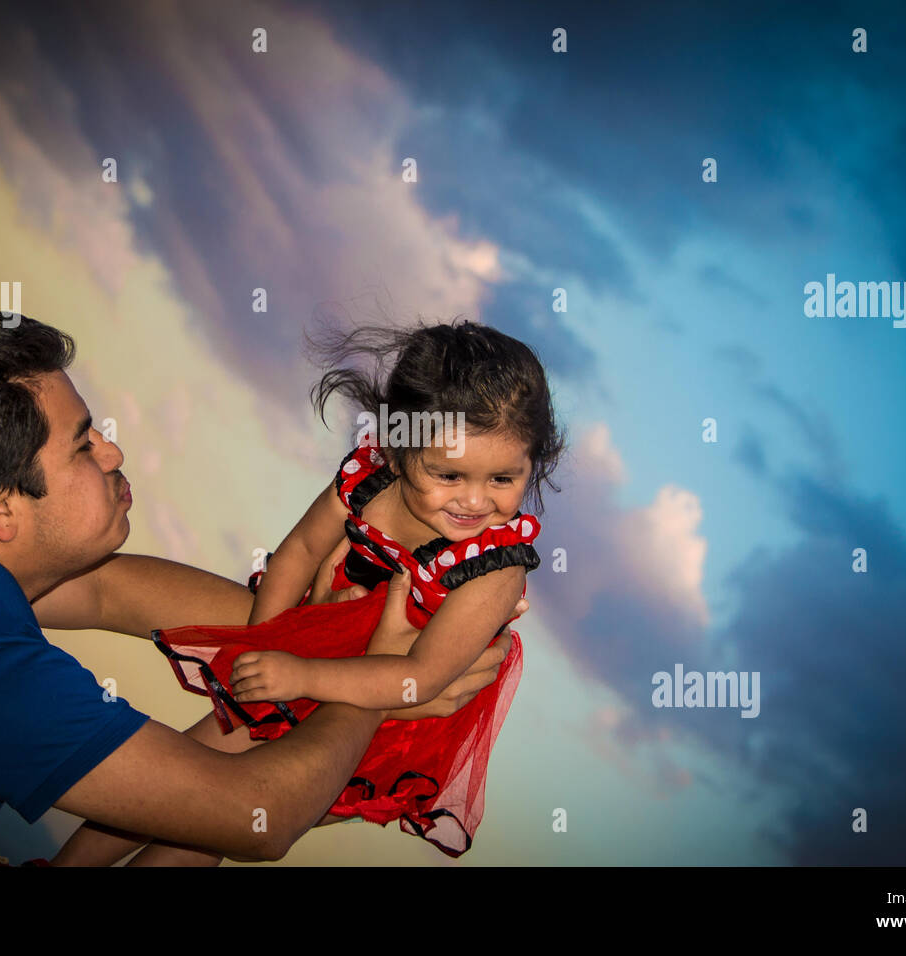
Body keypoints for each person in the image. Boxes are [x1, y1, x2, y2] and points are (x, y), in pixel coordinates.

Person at [0, 314, 517, 867]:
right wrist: (380, 679)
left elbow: (111, 594)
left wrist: (321, 637)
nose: (114, 448)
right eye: (83, 443)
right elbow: (255, 817)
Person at [63, 319, 564, 864]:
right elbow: (301, 551)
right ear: (396, 452)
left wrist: (299, 674)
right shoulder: (369, 483)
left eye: (502, 479)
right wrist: (262, 641)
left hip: (390, 704)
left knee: (219, 816)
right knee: (190, 770)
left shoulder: (493, 566)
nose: (474, 501)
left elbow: (421, 678)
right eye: (450, 475)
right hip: (315, 644)